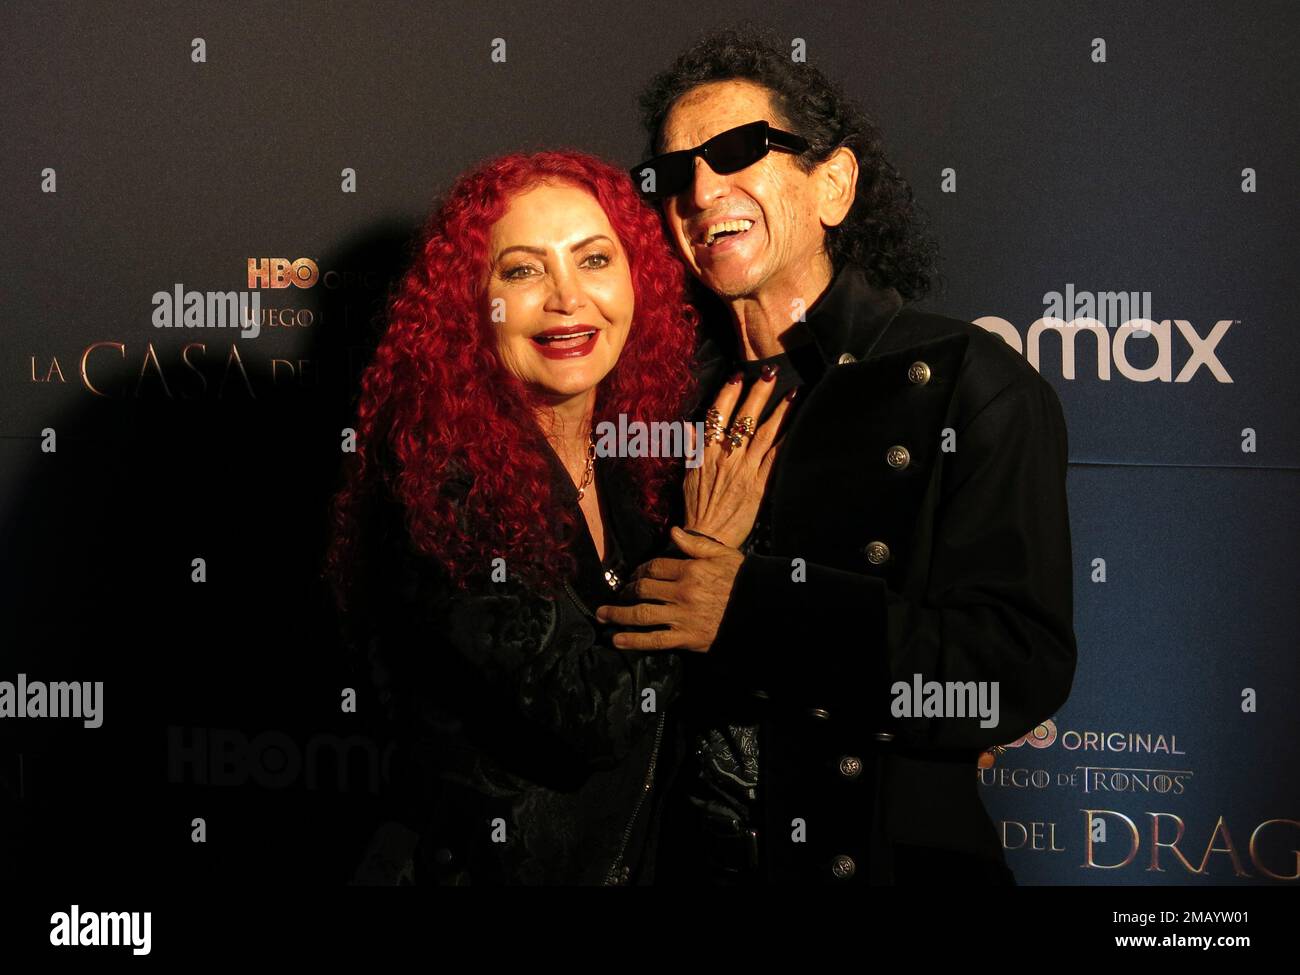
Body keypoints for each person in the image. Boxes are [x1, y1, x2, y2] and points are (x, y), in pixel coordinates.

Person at [599, 26, 1077, 885]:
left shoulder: (969, 382)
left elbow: (1011, 672)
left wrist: (751, 610)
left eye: (738, 150)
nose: (701, 190)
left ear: (834, 184)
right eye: (673, 173)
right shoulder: (650, 406)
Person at [323, 149, 786, 885]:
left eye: (594, 259)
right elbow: (589, 717)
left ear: (637, 281)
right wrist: (704, 548)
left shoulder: (641, 458)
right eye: (522, 270)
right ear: (470, 303)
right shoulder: (439, 484)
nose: (568, 298)